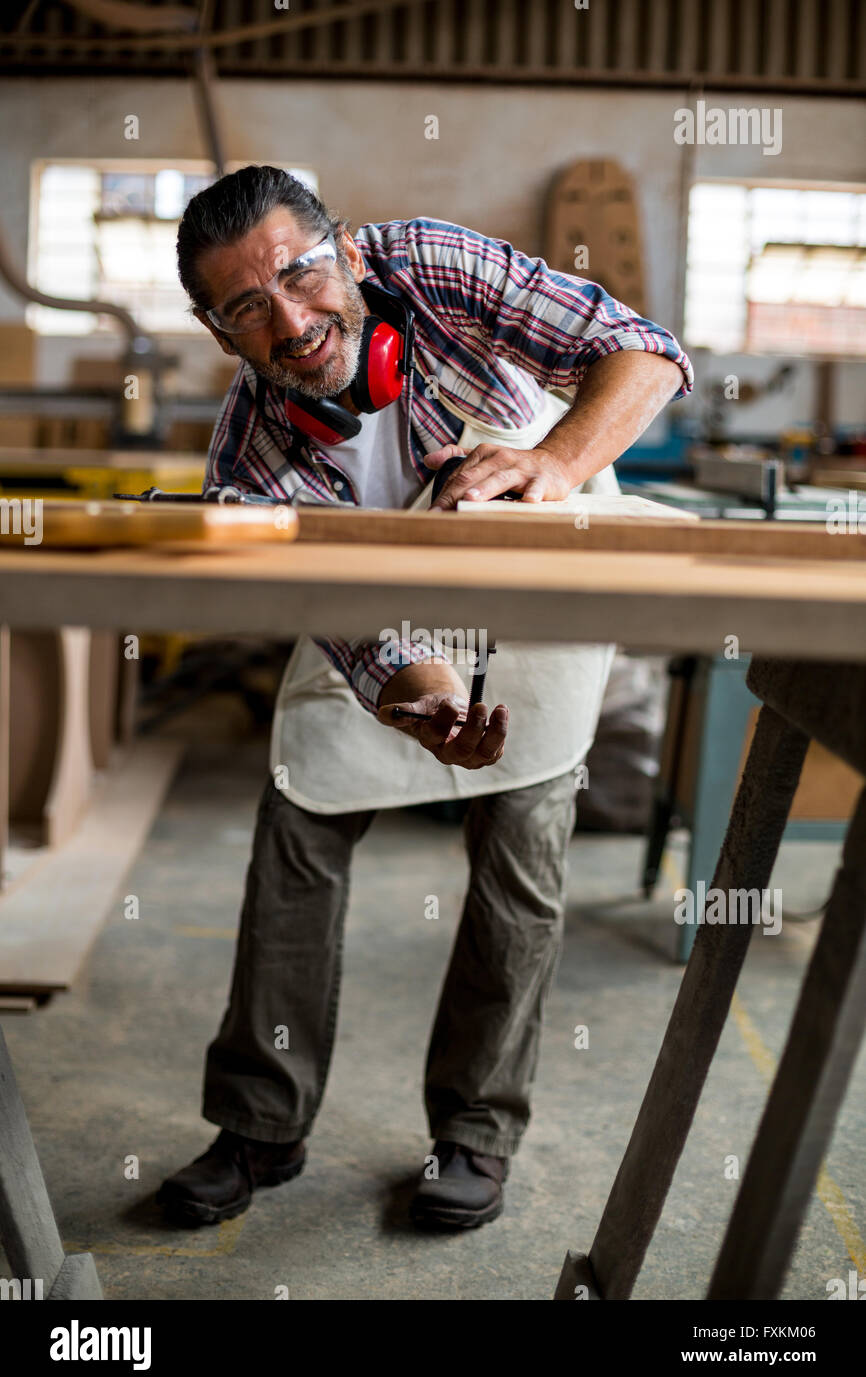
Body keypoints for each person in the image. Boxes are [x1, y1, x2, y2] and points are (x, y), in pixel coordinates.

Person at [156, 164, 692, 1231]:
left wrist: (549, 461)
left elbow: (647, 353)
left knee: (521, 835)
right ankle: (261, 1126)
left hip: (540, 547)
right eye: (248, 307)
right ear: (220, 335)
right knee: (299, 820)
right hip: (381, 601)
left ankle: (474, 1133)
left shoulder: (438, 263)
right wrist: (427, 699)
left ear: (346, 251)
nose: (293, 320)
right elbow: (353, 622)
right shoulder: (250, 462)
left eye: (301, 274)